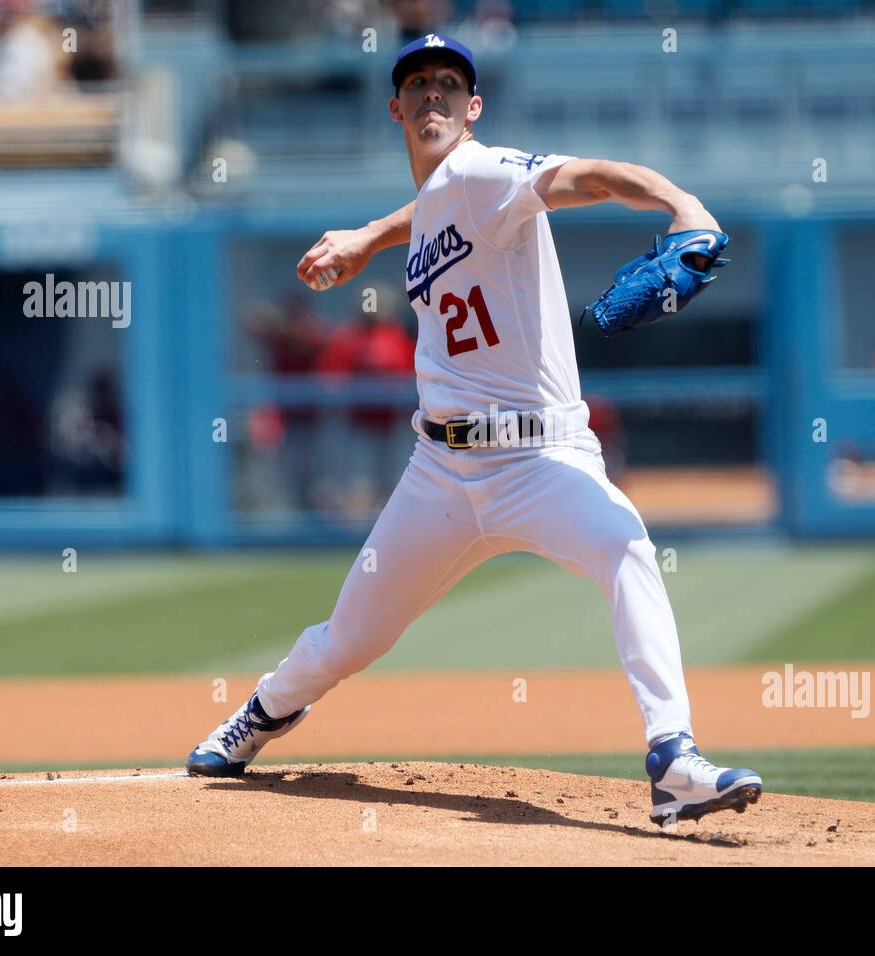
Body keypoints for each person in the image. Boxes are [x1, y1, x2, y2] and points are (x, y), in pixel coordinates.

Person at [184, 34, 762, 826]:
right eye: (417, 85)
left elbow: (586, 175)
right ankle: (259, 716)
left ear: (473, 108)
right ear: (396, 108)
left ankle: (672, 758)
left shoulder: (486, 170)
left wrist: (680, 205)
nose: (433, 96)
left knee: (626, 544)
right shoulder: (444, 199)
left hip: (541, 460)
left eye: (449, 85)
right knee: (351, 636)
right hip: (441, 476)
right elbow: (427, 209)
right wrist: (364, 238)